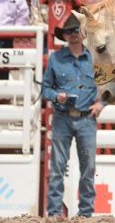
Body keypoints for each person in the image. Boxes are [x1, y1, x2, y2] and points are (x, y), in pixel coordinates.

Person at [42, 14, 105, 218]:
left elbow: (111, 84)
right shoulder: (56, 59)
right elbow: (45, 89)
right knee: (58, 166)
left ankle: (85, 213)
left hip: (87, 117)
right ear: (65, 36)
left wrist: (101, 103)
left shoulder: (95, 57)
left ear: (83, 34)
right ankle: (53, 213)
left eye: (76, 30)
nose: (73, 35)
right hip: (63, 117)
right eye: (69, 31)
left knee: (88, 167)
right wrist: (56, 96)